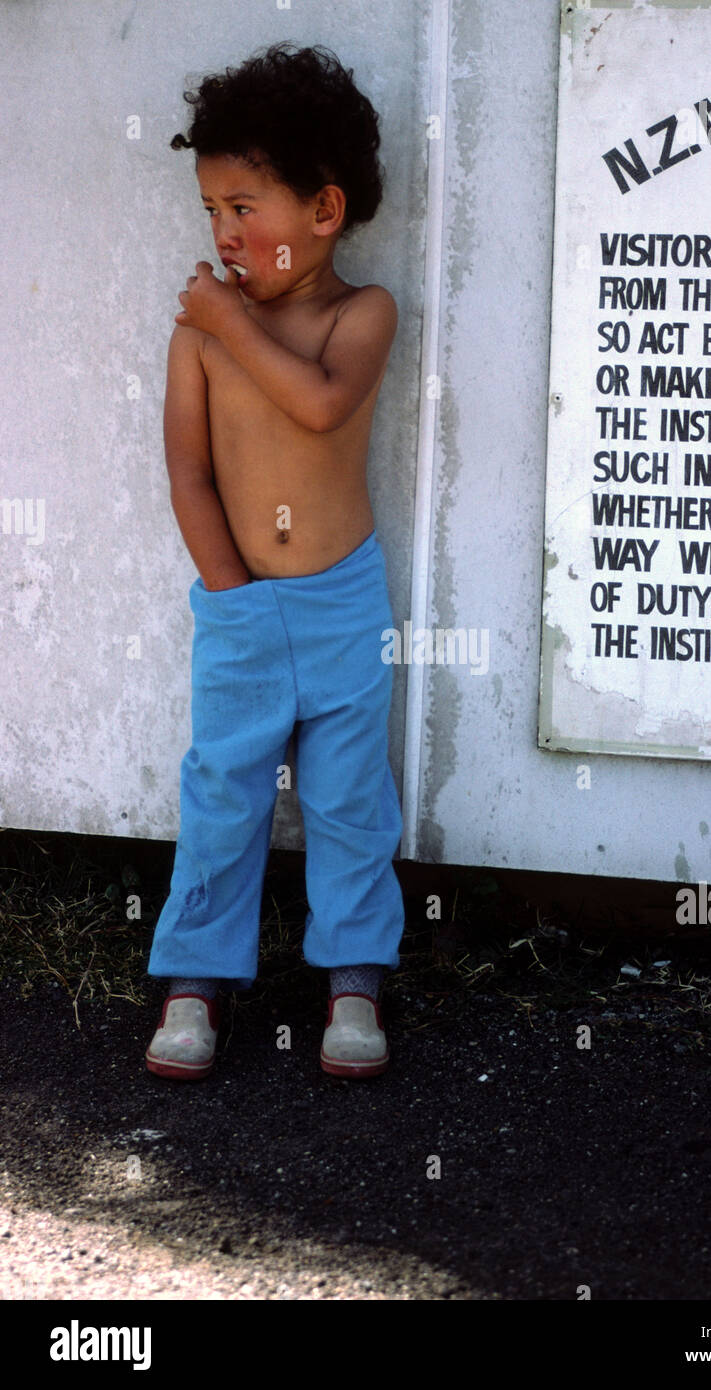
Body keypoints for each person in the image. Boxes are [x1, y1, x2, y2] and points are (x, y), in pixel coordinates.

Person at [145, 41, 404, 1082]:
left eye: (245, 207)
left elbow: (320, 402)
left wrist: (223, 315)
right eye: (212, 211)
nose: (224, 234)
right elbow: (189, 472)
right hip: (241, 603)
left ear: (324, 212)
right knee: (225, 788)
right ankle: (197, 981)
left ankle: (352, 978)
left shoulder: (361, 314)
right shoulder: (200, 340)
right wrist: (228, 590)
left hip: (344, 599)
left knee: (349, 794)